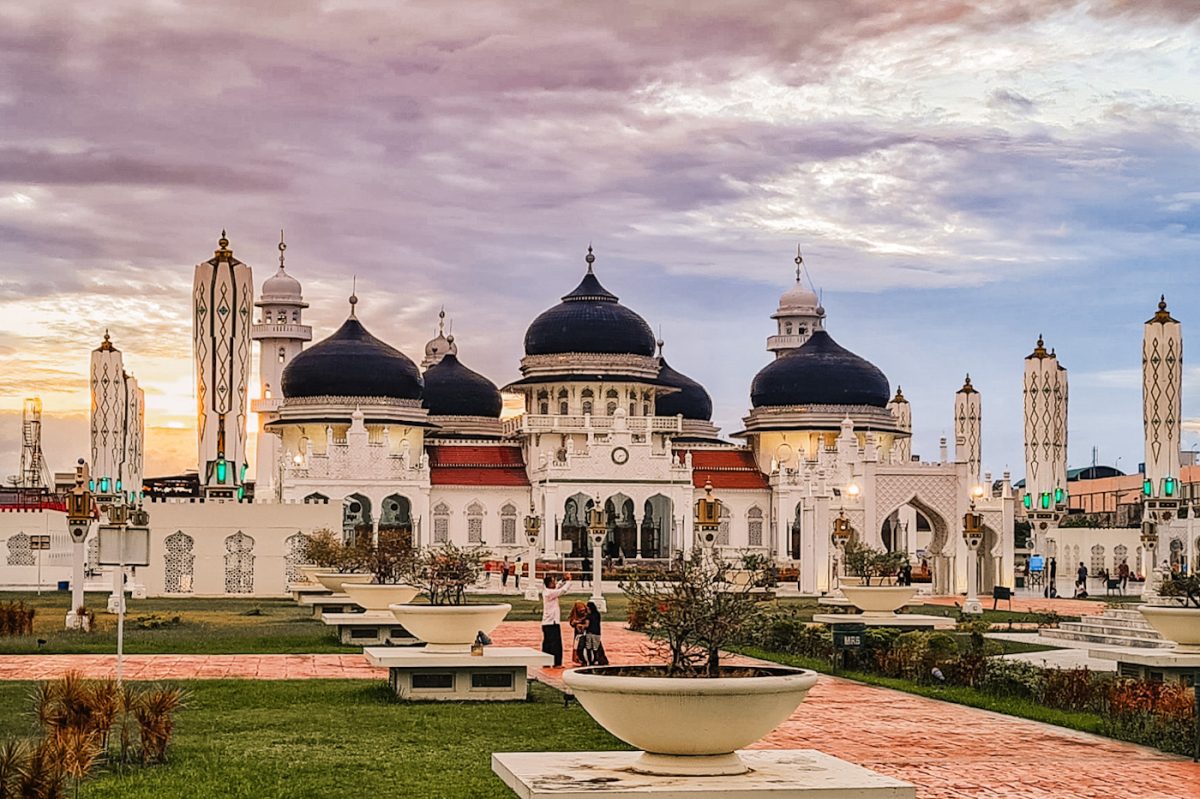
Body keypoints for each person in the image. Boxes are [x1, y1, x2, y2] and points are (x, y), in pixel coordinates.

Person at [540, 572, 572, 667]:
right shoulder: (549, 593)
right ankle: (556, 663)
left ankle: (546, 662)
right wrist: (569, 581)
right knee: (555, 644)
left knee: (547, 643)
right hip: (552, 622)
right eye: (553, 582)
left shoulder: (547, 591)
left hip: (547, 623)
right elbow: (562, 590)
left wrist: (563, 580)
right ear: (549, 584)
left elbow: (558, 586)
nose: (555, 583)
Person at [582, 600, 608, 666]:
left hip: (590, 633)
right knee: (595, 648)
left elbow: (587, 625)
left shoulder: (588, 616)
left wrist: (581, 626)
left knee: (589, 648)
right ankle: (596, 660)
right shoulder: (597, 614)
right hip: (597, 633)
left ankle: (590, 661)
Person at [567, 600, 589, 665]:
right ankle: (578, 659)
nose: (582, 612)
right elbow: (572, 622)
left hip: (587, 633)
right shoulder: (575, 615)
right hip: (578, 635)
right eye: (580, 610)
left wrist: (580, 623)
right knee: (577, 646)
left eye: (583, 610)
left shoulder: (587, 615)